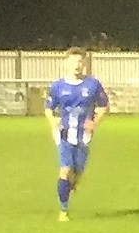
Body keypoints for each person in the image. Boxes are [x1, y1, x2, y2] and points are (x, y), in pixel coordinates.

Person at [45, 47, 109, 221]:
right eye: (73, 61)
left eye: (80, 61)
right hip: (64, 133)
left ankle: (69, 188)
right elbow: (48, 109)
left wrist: (94, 122)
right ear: (66, 63)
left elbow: (103, 106)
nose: (77, 65)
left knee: (77, 174)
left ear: (84, 64)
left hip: (84, 135)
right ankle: (63, 211)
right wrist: (53, 122)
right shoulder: (58, 86)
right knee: (65, 170)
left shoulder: (93, 84)